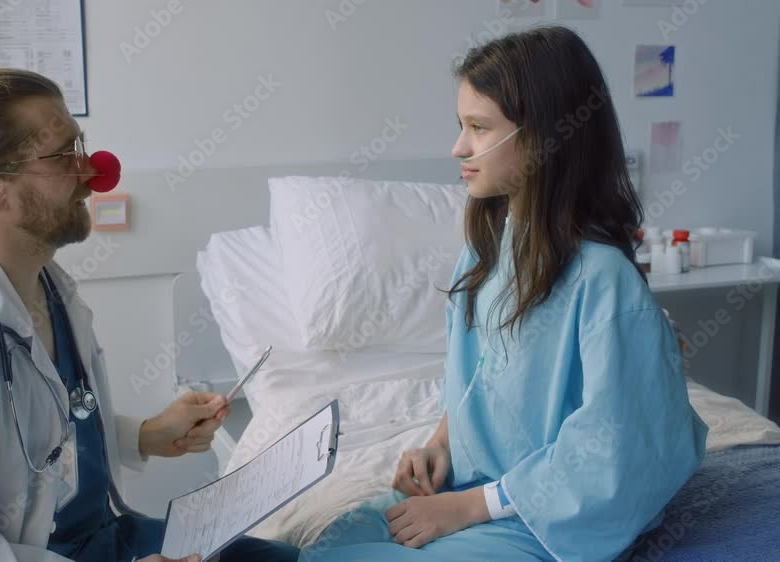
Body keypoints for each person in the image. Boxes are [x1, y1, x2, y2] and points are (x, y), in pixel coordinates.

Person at [0, 67, 299, 562]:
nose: (94, 171)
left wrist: (144, 435)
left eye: (81, 147)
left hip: (109, 540)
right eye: (66, 156)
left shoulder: (44, 288)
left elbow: (44, 438)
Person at [299, 26, 707, 562]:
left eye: (478, 127)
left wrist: (471, 507)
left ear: (544, 137)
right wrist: (439, 446)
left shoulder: (604, 282)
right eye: (460, 125)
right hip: (471, 490)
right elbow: (479, 381)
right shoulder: (487, 252)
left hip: (545, 517)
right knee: (332, 542)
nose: (458, 147)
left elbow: (614, 448)